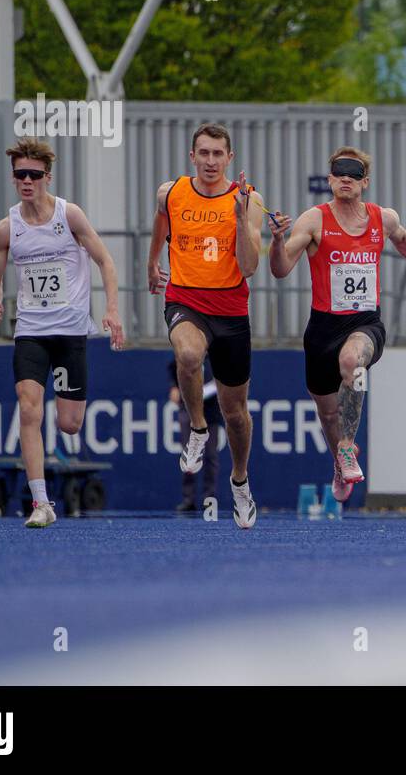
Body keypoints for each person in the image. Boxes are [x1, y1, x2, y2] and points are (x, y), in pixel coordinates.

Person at [268, 146, 406, 502]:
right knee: (327, 412)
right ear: (329, 180)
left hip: (366, 322)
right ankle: (339, 462)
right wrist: (277, 240)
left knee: (352, 362)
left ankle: (347, 446)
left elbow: (404, 239)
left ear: (364, 183)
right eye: (339, 174)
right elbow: (279, 271)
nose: (345, 179)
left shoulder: (381, 218)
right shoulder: (313, 220)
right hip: (322, 329)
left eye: (353, 175)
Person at [0, 138, 124, 528]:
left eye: (34, 175)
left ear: (48, 177)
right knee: (28, 406)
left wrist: (111, 309)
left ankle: (47, 489)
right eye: (20, 175)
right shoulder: (7, 228)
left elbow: (106, 261)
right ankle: (41, 502)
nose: (27, 181)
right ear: (13, 179)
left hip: (71, 331)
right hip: (31, 330)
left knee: (69, 423)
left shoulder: (69, 215)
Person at [148, 123, 263, 528]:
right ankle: (197, 429)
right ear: (192, 155)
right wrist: (151, 264)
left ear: (229, 158)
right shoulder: (171, 191)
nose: (211, 161)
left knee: (235, 415)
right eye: (204, 153)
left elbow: (249, 267)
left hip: (231, 310)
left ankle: (240, 481)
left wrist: (238, 217)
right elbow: (162, 223)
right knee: (189, 353)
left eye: (218, 154)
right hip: (186, 299)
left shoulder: (248, 200)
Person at [167, 357, 221, 512]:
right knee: (189, 454)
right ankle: (188, 498)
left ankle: (209, 499)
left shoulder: (216, 356)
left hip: (210, 412)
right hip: (189, 410)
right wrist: (174, 386)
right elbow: (173, 367)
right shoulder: (188, 351)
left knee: (211, 456)